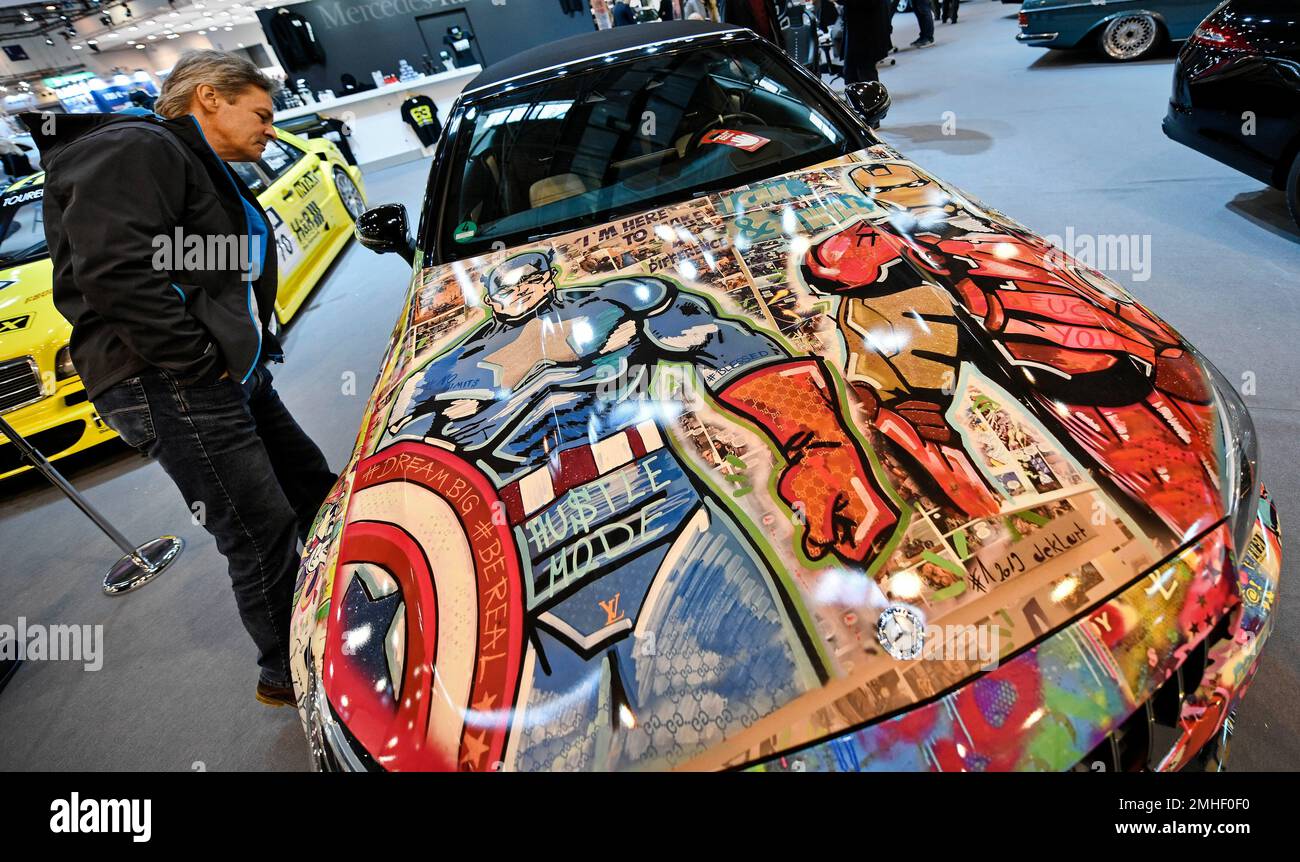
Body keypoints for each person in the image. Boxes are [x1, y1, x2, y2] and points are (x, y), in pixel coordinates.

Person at [28, 51, 337, 709]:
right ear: (208, 97)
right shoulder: (135, 148)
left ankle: (343, 604)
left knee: (311, 485)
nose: (271, 130)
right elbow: (115, 273)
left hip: (222, 374)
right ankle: (291, 673)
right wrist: (198, 360)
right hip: (172, 380)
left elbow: (192, 263)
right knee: (259, 528)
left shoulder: (182, 157)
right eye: (260, 113)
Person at [842, 0, 892, 84]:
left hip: (866, 31)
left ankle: (872, 94)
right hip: (859, 28)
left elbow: (867, 3)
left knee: (865, 70)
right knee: (853, 73)